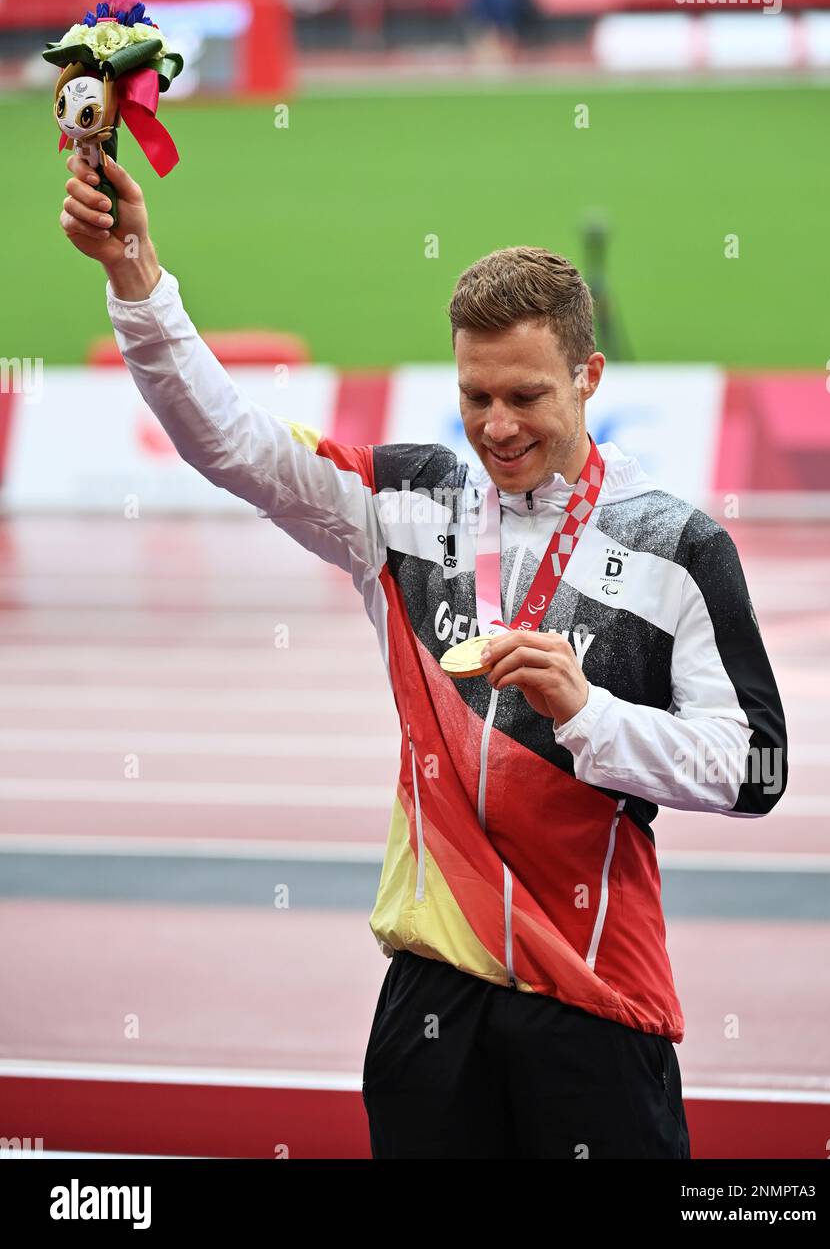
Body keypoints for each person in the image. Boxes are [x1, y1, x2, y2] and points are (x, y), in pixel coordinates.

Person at [58, 153, 788, 1160]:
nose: (495, 425)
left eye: (525, 396)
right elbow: (228, 442)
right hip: (432, 995)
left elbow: (755, 769)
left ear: (589, 378)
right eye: (473, 394)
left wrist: (590, 718)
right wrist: (136, 275)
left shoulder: (676, 543)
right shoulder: (408, 503)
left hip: (590, 990)